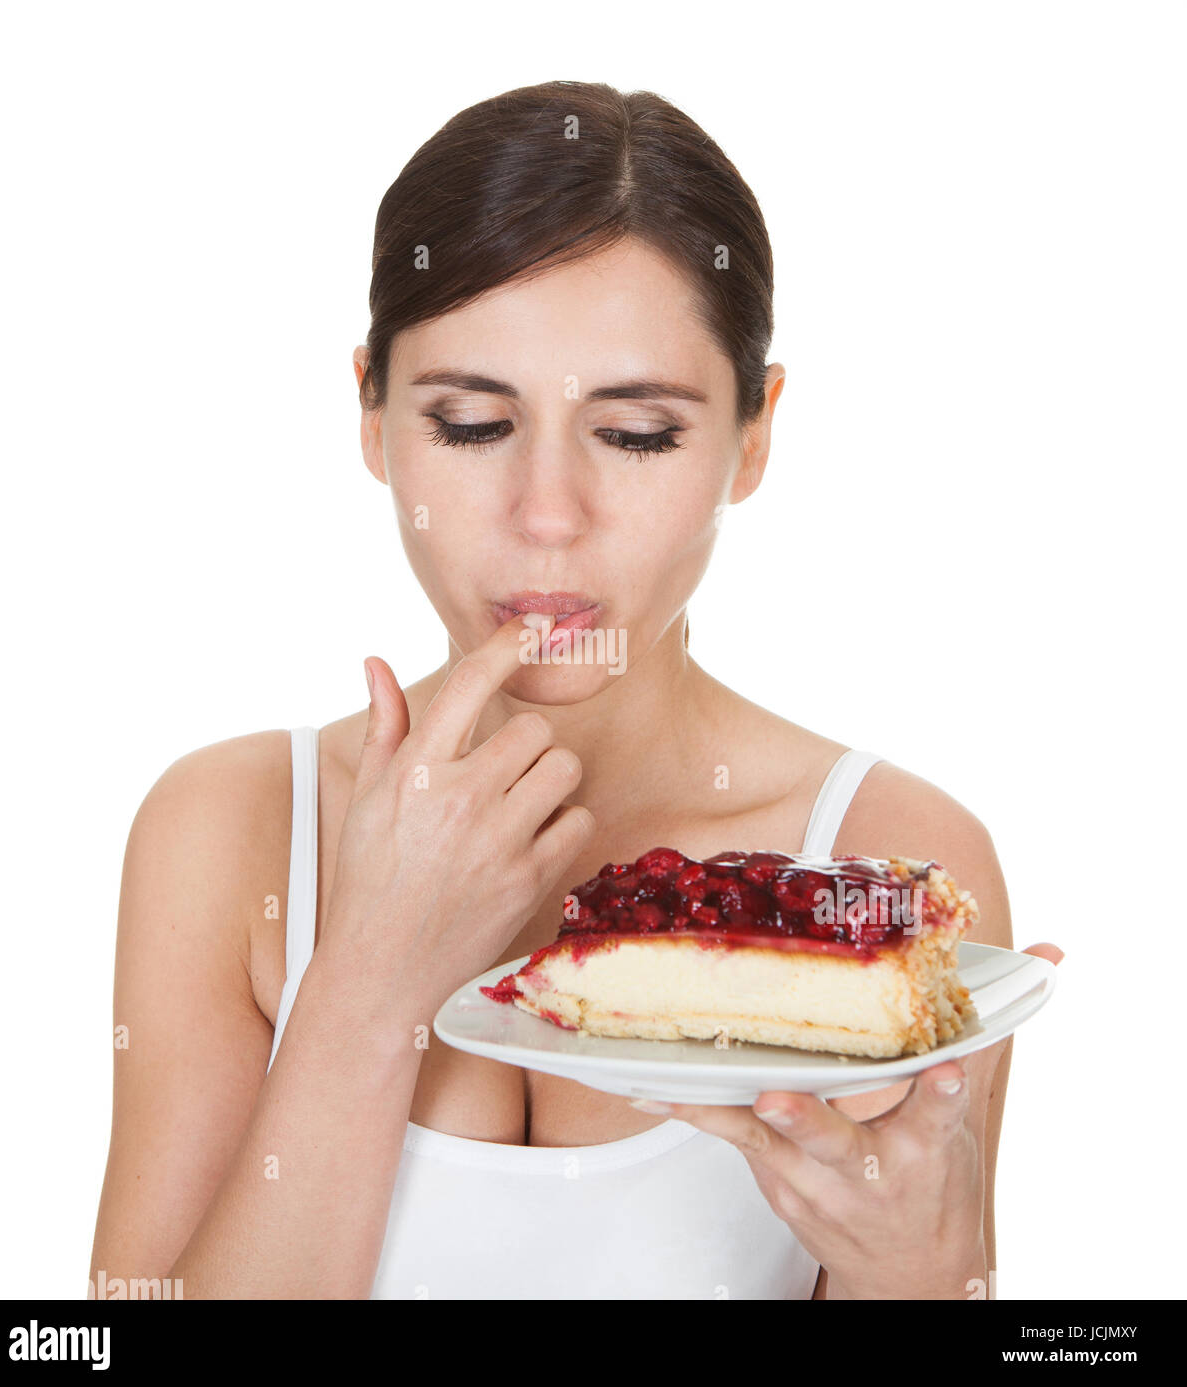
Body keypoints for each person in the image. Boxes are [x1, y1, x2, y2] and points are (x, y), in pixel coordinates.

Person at [88, 79, 1061, 1299]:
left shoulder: (880, 866)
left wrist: (922, 1276)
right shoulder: (226, 829)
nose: (547, 518)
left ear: (753, 437)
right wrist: (370, 979)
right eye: (471, 423)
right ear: (371, 414)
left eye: (636, 434)